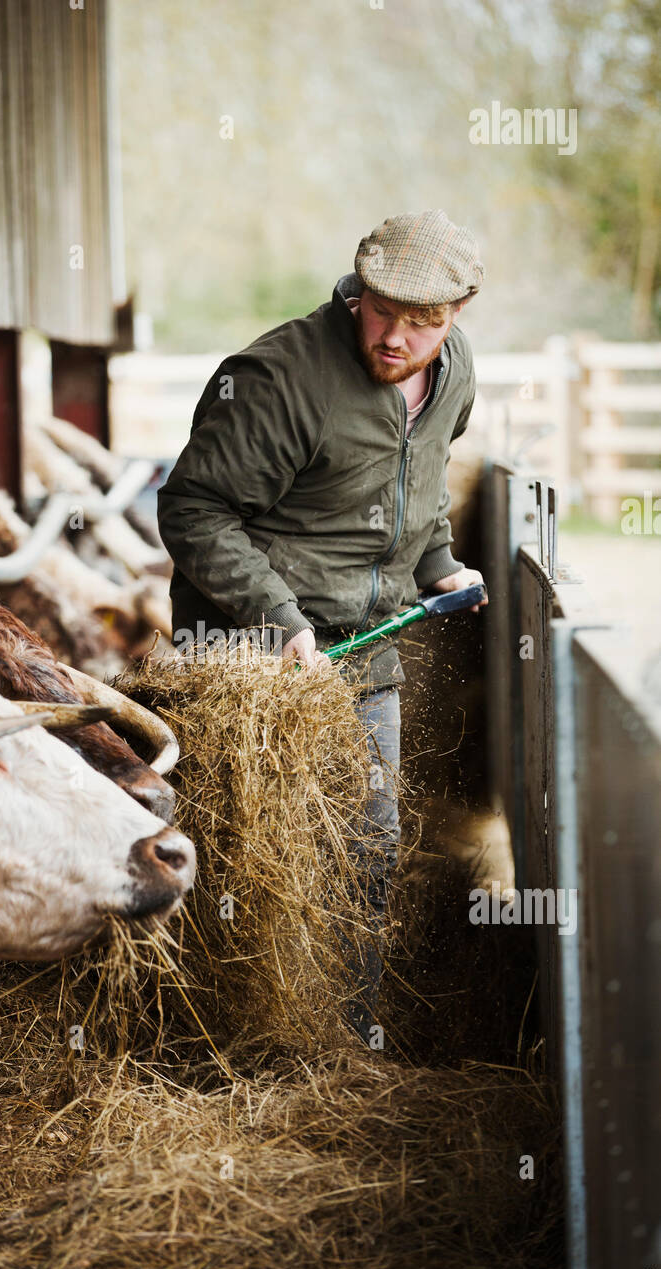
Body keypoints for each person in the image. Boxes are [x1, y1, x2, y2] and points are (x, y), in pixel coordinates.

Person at [157, 209, 489, 1044]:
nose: (396, 338)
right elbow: (193, 511)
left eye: (424, 323)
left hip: (366, 652)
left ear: (456, 317)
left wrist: (437, 561)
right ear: (356, 292)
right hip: (248, 666)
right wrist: (276, 620)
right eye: (382, 311)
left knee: (366, 847)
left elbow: (422, 478)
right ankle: (213, 1040)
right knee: (248, 856)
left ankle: (345, 1040)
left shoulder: (452, 373)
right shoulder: (278, 378)